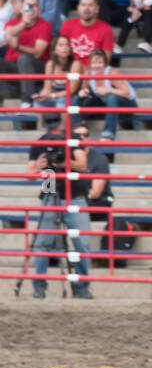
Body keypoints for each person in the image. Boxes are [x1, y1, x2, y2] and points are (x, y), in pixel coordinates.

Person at [25, 116, 93, 298]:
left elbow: (82, 164)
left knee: (83, 244)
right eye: (50, 124)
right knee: (42, 244)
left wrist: (60, 163)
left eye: (55, 124)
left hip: (74, 195)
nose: (53, 128)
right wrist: (39, 167)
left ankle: (82, 286)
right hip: (50, 191)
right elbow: (29, 176)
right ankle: (39, 287)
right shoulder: (40, 143)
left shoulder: (73, 139)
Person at [74, 47, 136, 139]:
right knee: (77, 98)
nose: (97, 65)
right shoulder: (88, 74)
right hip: (106, 105)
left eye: (100, 62)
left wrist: (108, 90)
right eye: (94, 63)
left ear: (105, 63)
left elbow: (128, 93)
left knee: (111, 97)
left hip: (127, 104)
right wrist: (84, 91)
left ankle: (108, 134)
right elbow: (85, 88)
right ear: (90, 64)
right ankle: (77, 130)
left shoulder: (111, 73)